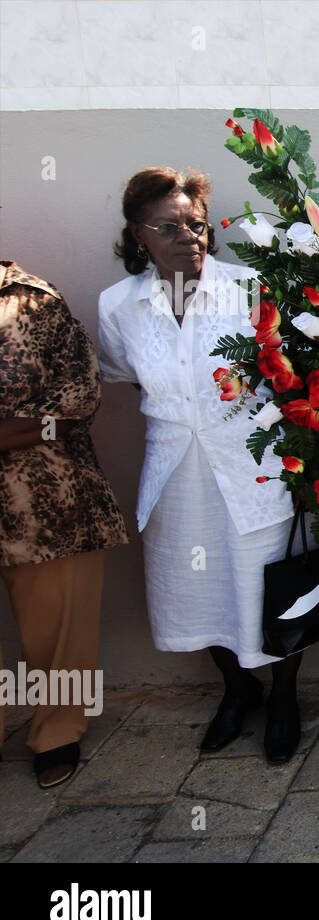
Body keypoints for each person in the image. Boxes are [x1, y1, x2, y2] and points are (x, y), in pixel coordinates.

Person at [97, 168, 300, 762]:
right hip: (176, 470)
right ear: (138, 235)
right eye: (169, 226)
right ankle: (238, 690)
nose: (188, 235)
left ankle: (284, 697)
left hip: (250, 463)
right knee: (197, 589)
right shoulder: (118, 306)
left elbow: (283, 371)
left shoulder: (249, 287)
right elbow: (121, 370)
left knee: (271, 587)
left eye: (196, 223)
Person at [0, 261, 129, 787]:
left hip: (45, 497)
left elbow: (77, 399)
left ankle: (57, 731)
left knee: (55, 627)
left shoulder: (33, 300)